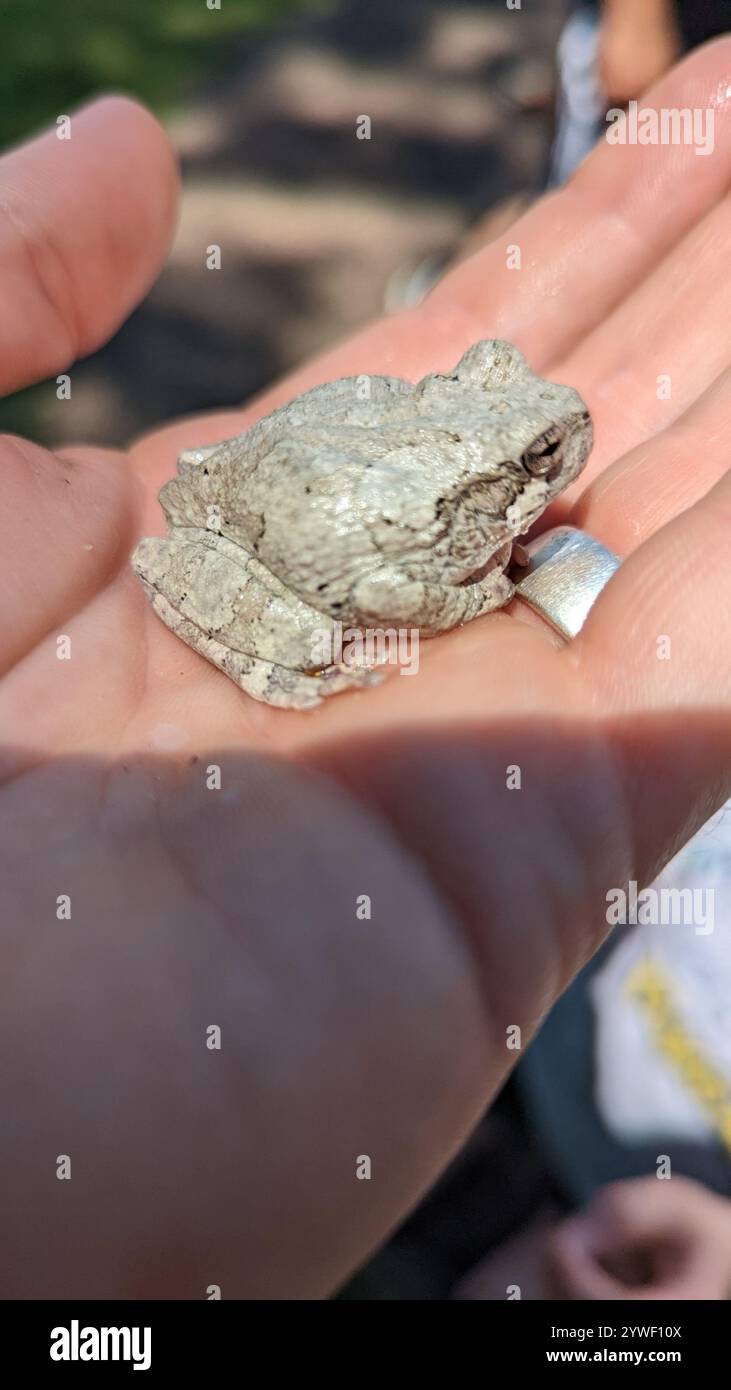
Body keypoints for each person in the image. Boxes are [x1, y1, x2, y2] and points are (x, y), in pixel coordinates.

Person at [1, 35, 730, 1297]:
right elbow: (391, 580)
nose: (559, 460)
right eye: (533, 463)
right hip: (291, 539)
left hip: (278, 470)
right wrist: (472, 582)